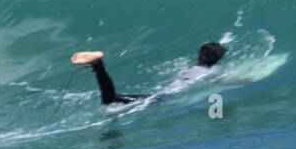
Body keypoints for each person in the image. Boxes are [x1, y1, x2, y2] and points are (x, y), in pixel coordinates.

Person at [71, 42, 227, 105]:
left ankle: (98, 65)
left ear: (199, 56)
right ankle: (98, 64)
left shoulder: (193, 70)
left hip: (163, 93)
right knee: (111, 99)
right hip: (164, 97)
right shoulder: (212, 72)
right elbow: (220, 82)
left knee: (111, 100)